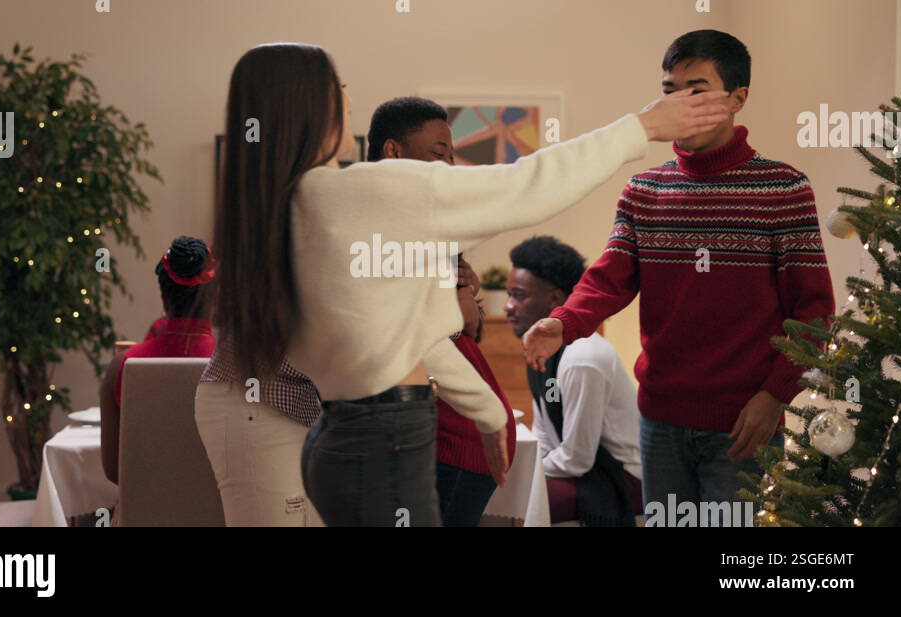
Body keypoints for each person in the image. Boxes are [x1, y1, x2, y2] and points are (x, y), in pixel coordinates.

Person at [215, 42, 728, 527]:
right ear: (312, 103)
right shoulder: (366, 190)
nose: (348, 98)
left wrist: (487, 414)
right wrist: (641, 127)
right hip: (381, 443)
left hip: (346, 441)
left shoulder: (281, 208)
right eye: (339, 85)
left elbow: (406, 338)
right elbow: (526, 185)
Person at [522, 30, 836, 522]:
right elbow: (609, 279)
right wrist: (563, 322)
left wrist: (775, 397)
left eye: (697, 88)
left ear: (738, 98)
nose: (678, 103)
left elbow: (814, 313)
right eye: (669, 90)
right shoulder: (644, 189)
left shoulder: (783, 188)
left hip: (743, 423)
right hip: (660, 422)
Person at [367, 96, 517, 527]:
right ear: (393, 151)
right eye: (438, 154)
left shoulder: (427, 222)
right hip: (444, 436)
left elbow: (469, 324)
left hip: (459, 434)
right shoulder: (379, 228)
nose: (449, 166)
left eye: (452, 156)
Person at [505, 236, 642, 526]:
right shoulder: (542, 349)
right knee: (508, 492)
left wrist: (526, 474)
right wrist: (528, 469)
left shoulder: (583, 358)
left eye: (518, 295)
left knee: (521, 500)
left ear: (554, 299)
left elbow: (578, 459)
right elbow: (543, 433)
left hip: (621, 478)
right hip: (583, 469)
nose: (508, 306)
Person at [99, 236, 218, 485]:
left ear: (164, 300)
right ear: (213, 300)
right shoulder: (237, 365)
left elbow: (113, 470)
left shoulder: (124, 366)